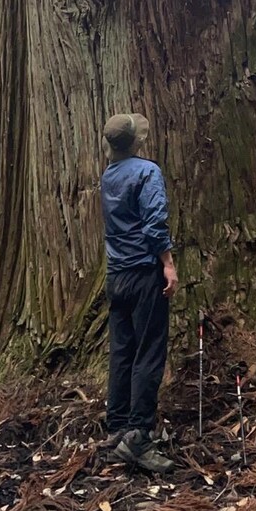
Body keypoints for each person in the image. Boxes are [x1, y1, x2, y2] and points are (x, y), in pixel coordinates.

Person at [99, 112, 177, 473]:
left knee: (123, 352)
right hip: (145, 272)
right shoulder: (147, 172)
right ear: (136, 142)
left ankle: (117, 428)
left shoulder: (109, 176)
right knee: (148, 353)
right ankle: (139, 437)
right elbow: (153, 221)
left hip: (117, 276)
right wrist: (168, 263)